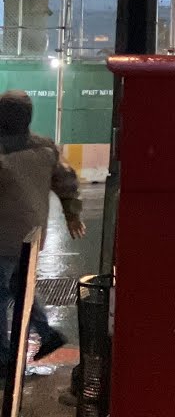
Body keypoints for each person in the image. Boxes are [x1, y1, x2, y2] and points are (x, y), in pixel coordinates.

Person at [0, 90, 85, 364]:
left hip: (3, 237)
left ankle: (2, 357)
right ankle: (47, 334)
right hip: (33, 235)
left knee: (2, 294)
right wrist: (72, 214)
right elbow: (66, 181)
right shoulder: (45, 147)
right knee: (20, 286)